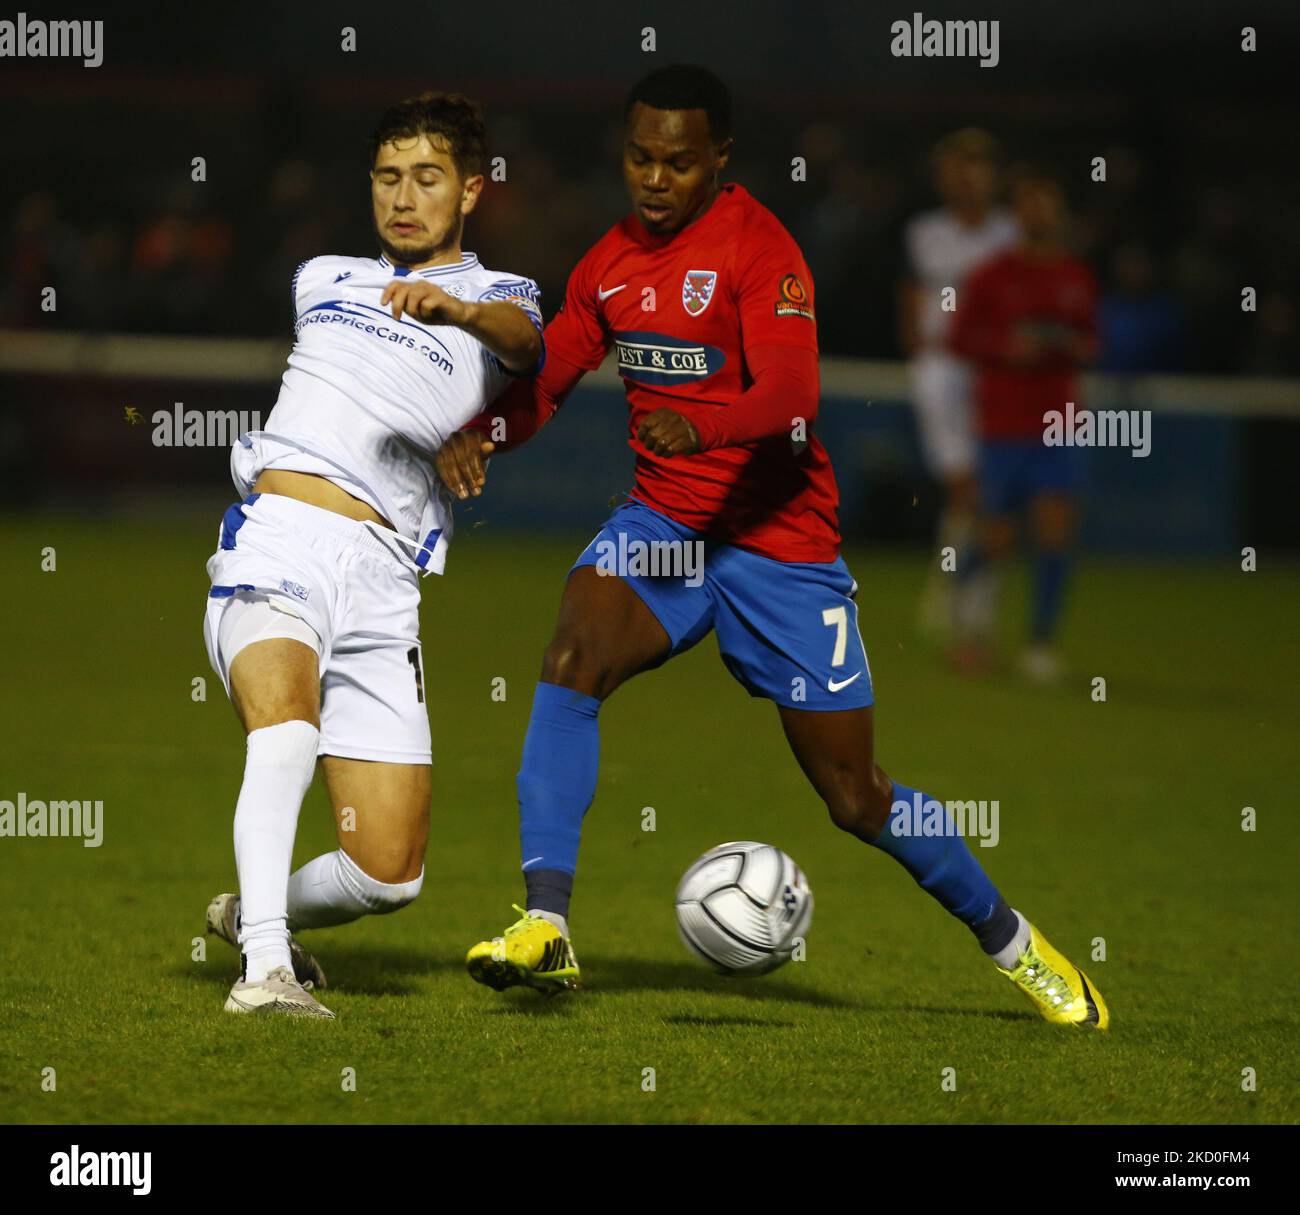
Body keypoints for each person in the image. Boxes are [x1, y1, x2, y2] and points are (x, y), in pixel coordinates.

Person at [437, 66, 1108, 1029]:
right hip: (665, 529)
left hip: (778, 547)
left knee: (855, 793)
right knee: (571, 657)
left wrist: (702, 432)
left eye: (678, 161)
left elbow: (792, 395)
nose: (655, 178)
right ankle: (545, 925)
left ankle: (1015, 943)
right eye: (639, 156)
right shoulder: (607, 265)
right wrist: (485, 434)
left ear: (720, 160)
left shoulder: (763, 252)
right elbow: (546, 381)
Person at [201, 92, 543, 1017]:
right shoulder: (326, 277)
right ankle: (265, 971)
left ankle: (253, 913)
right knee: (286, 733)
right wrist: (442, 428)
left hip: (386, 579)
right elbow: (363, 389)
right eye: (388, 177)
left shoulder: (504, 298)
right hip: (283, 540)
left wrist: (459, 313)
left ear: (472, 190)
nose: (403, 196)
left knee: (387, 872)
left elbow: (526, 346)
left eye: (428, 178)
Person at [948, 166, 1099, 680]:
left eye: (1047, 204)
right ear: (1018, 214)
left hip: (1058, 423)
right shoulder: (993, 275)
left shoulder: (1074, 275)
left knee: (1056, 532)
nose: (1039, 213)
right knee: (996, 538)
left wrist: (1074, 346)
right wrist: (1006, 348)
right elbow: (959, 337)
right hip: (1004, 423)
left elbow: (1093, 339)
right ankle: (963, 617)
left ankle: (1040, 645)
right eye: (1029, 203)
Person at [898, 129, 1017, 640]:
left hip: (996, 370)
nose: (967, 179)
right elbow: (909, 297)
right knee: (966, 487)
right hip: (944, 370)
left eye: (976, 167)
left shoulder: (1010, 233)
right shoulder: (925, 231)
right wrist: (919, 349)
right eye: (957, 168)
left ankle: (958, 592)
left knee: (985, 491)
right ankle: (962, 592)